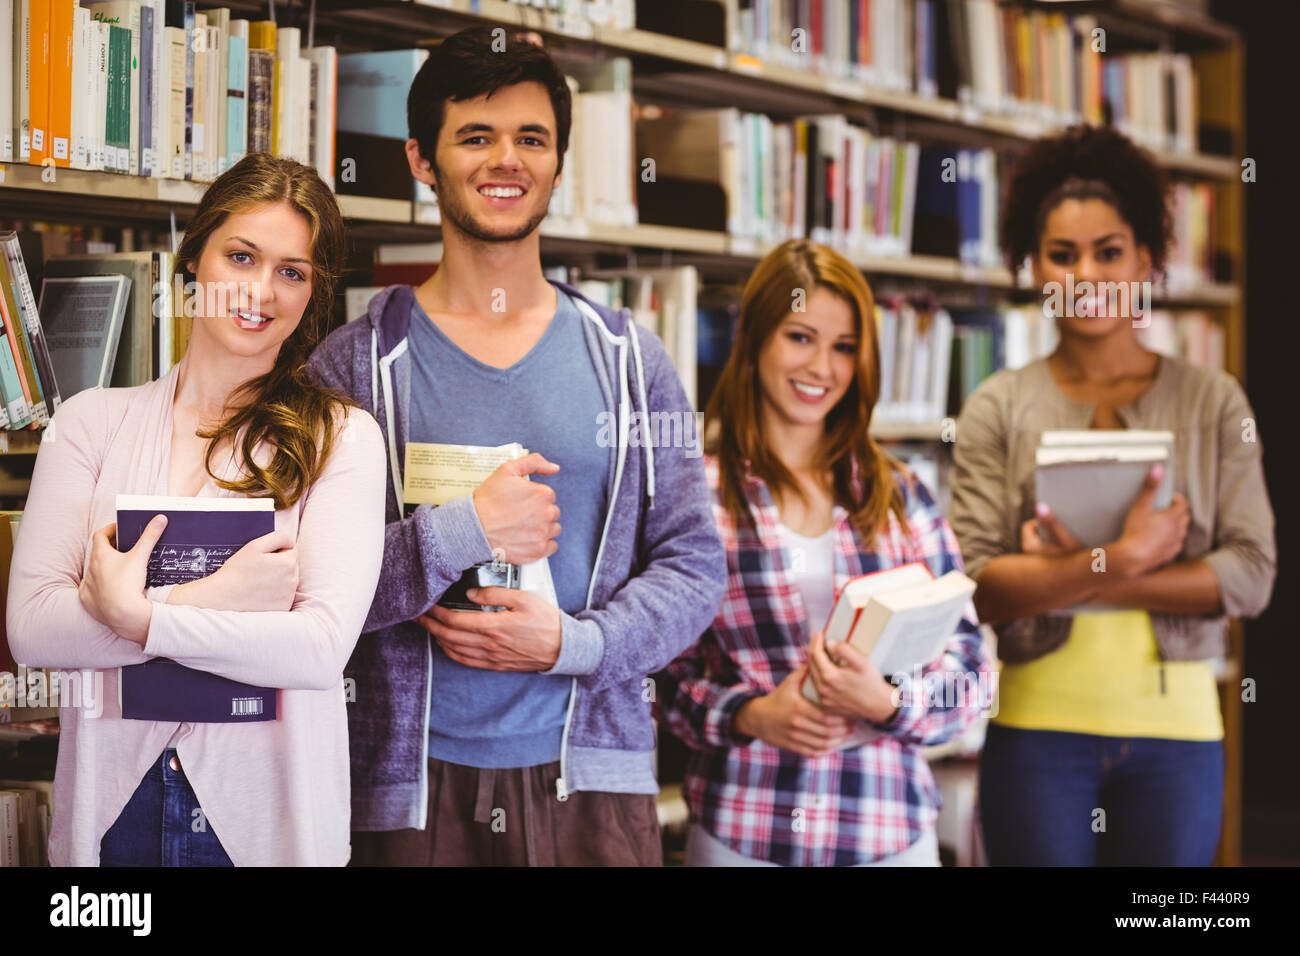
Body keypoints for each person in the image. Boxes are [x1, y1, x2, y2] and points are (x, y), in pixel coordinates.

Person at [306, 26, 724, 866]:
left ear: (559, 163)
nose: (507, 160)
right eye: (477, 137)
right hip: (405, 788)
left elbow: (694, 562)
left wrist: (578, 645)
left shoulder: (630, 361)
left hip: (592, 787)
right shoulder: (352, 364)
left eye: (531, 138)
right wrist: (454, 533)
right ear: (422, 159)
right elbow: (309, 576)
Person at [5, 154, 387, 866]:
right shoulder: (89, 424)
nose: (260, 290)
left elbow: (316, 649)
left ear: (314, 293)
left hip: (264, 816)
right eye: (240, 256)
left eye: (292, 271)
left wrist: (136, 615)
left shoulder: (343, 439)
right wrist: (215, 600)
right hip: (115, 808)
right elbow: (33, 631)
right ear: (194, 261)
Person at [949, 125, 1277, 866]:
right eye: (1062, 256)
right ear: (1032, 267)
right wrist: (1128, 556)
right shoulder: (997, 406)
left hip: (1179, 739)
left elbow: (1253, 575)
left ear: (1146, 261)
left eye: (1108, 251)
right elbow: (976, 590)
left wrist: (1070, 573)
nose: (1086, 274)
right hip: (1036, 734)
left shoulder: (1214, 401)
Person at [655, 239, 992, 866]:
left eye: (843, 347)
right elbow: (659, 680)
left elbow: (973, 675)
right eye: (800, 337)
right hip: (746, 831)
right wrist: (751, 714)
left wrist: (890, 703)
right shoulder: (695, 496)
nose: (822, 368)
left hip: (887, 833)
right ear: (755, 339)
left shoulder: (903, 495)